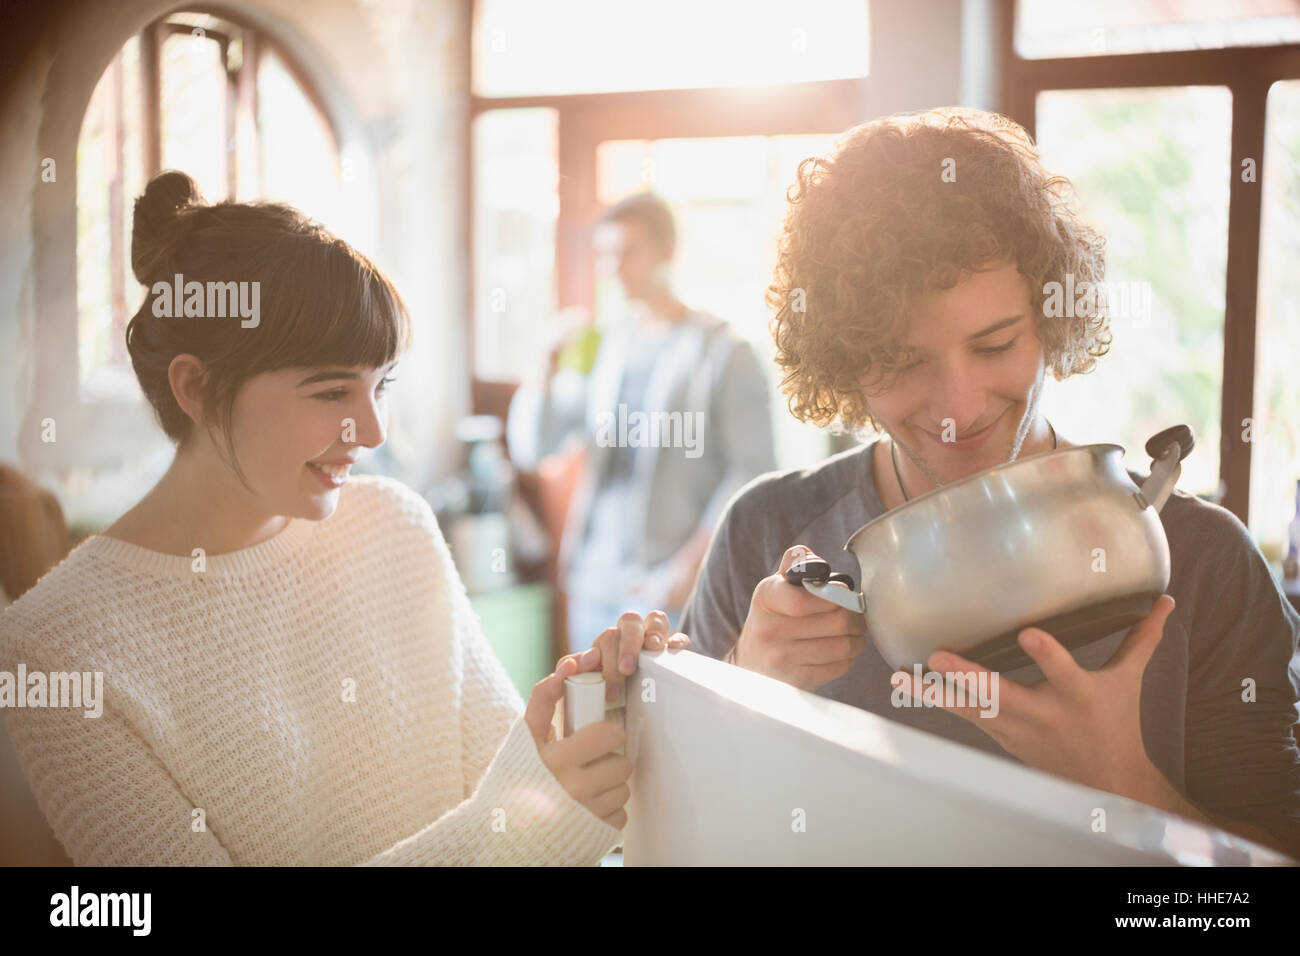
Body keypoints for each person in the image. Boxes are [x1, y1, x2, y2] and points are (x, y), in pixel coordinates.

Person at [0, 170, 686, 866]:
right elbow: (503, 835)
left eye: (380, 384)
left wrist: (618, 707)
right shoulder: (55, 650)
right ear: (196, 387)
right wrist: (510, 834)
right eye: (331, 391)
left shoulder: (395, 528)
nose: (373, 430)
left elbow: (515, 798)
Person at [680, 107, 1300, 859]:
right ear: (841, 361)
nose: (957, 410)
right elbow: (690, 837)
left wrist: (1125, 781)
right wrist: (747, 689)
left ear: (1051, 317)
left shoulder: (1201, 559)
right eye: (904, 364)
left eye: (996, 344)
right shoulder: (766, 534)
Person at [509, 192, 775, 654]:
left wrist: (688, 568)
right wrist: (543, 372)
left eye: (628, 251)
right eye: (606, 254)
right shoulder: (606, 347)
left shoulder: (725, 351)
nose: (614, 268)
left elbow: (752, 473)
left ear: (667, 251)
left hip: (671, 590)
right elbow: (536, 448)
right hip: (594, 584)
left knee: (671, 722)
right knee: (599, 716)